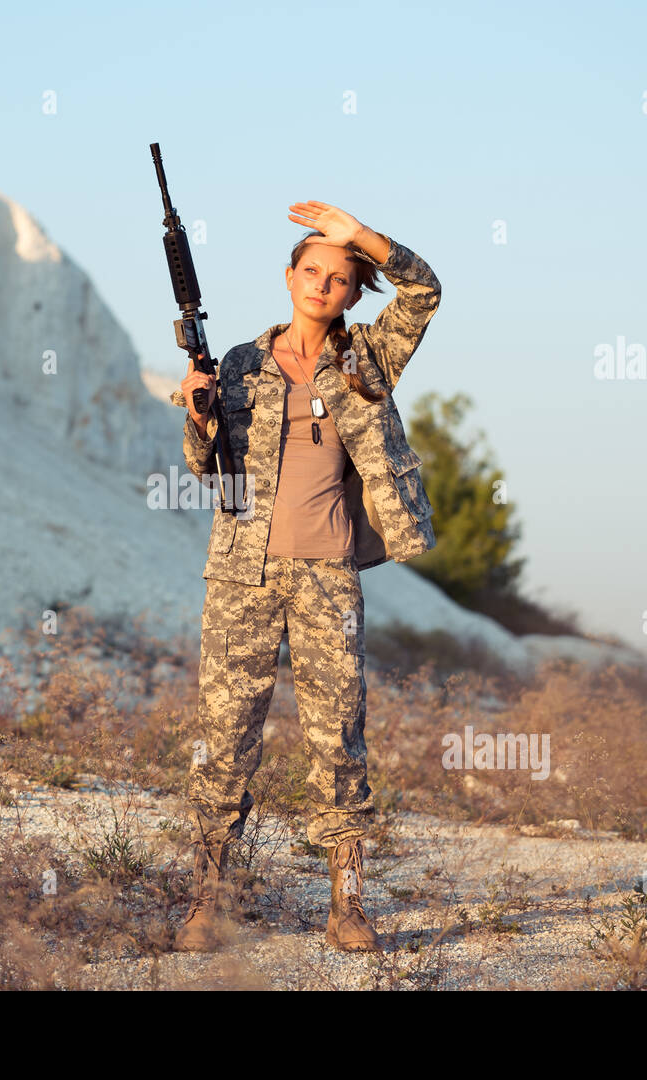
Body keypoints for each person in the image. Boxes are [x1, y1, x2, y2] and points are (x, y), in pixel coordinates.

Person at [166, 201, 442, 952]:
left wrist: (362, 238)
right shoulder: (237, 365)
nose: (322, 284)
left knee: (338, 738)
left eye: (339, 276)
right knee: (224, 737)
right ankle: (205, 900)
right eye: (312, 270)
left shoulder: (365, 362)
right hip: (240, 578)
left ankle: (347, 905)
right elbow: (205, 467)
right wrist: (197, 415)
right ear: (289, 277)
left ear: (354, 293)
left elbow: (424, 292)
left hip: (327, 576)